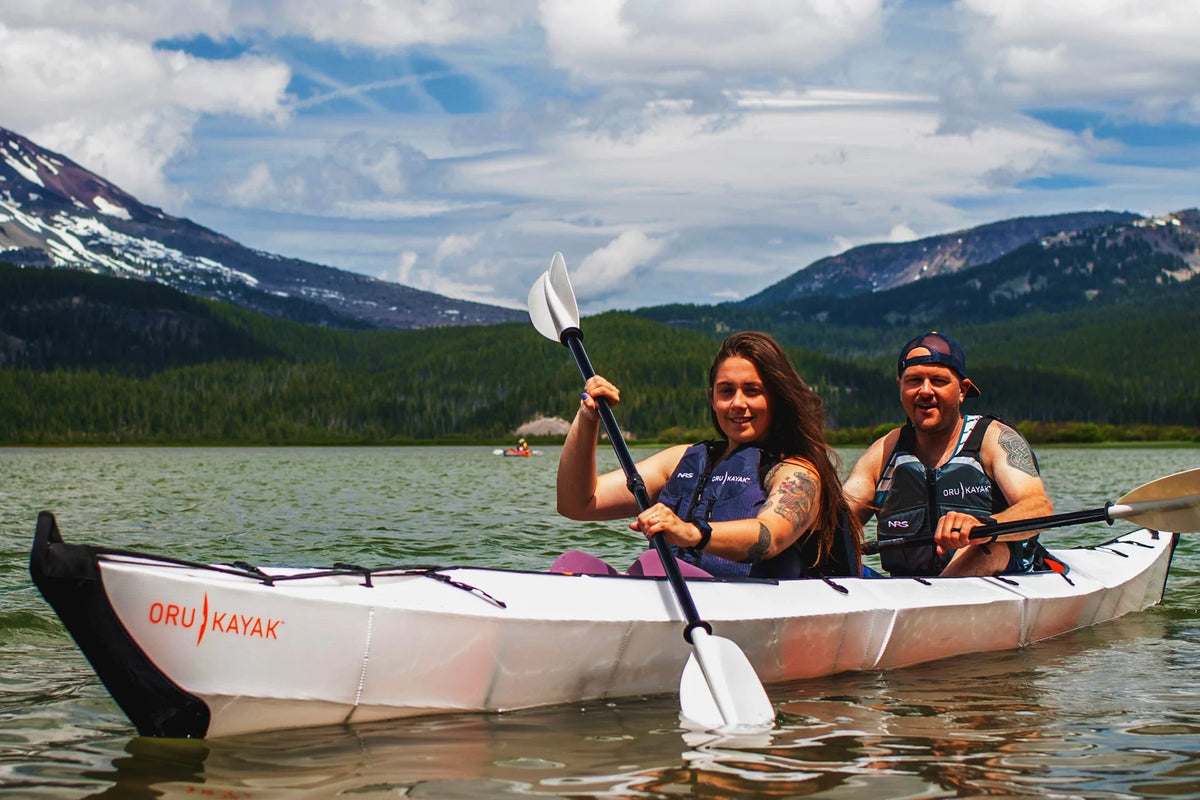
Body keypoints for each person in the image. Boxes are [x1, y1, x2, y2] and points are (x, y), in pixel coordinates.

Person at [553, 331, 861, 579]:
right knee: (573, 563)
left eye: (752, 391)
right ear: (712, 398)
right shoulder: (682, 460)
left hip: (749, 605)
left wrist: (691, 532)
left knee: (655, 565)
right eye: (726, 391)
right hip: (675, 596)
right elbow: (578, 503)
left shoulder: (796, 473)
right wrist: (588, 419)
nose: (737, 403)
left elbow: (770, 535)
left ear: (776, 399)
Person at [842, 331, 1054, 577]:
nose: (925, 391)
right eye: (914, 380)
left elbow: (1039, 507)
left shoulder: (994, 438)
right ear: (900, 386)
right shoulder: (884, 451)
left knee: (987, 548)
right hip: (905, 589)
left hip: (995, 575)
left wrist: (984, 526)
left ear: (962, 390)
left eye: (938, 381)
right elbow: (835, 521)